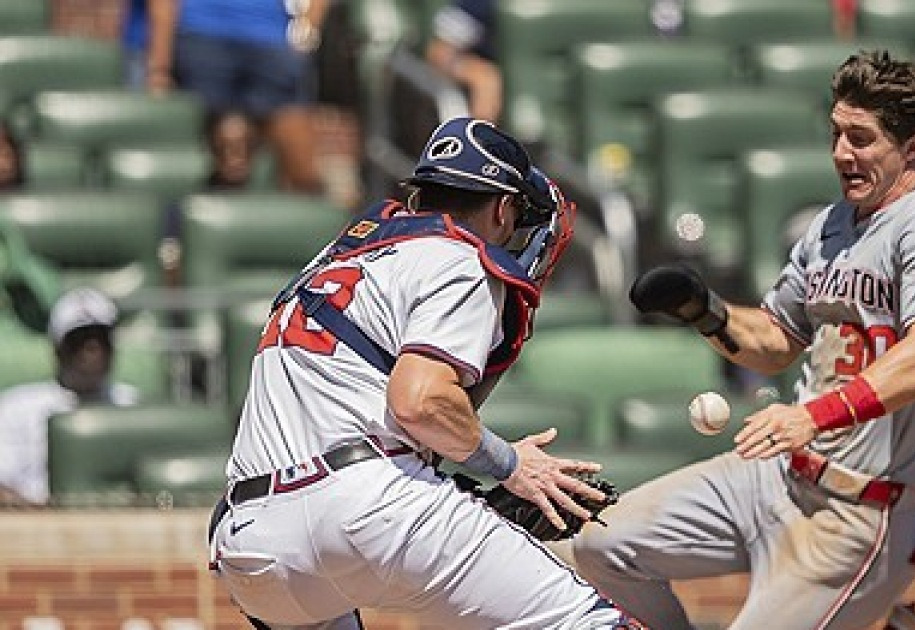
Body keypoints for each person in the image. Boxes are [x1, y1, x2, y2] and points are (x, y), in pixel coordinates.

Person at [573, 50, 915, 629]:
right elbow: (776, 337)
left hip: (856, 513)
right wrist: (706, 311)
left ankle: (880, 604)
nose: (842, 152)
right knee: (597, 547)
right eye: (837, 133)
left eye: (862, 138)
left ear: (912, 146)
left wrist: (814, 416)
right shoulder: (833, 223)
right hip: (775, 477)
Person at [207, 117, 638, 629]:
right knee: (591, 623)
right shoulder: (457, 257)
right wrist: (510, 466)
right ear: (503, 208)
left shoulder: (334, 260)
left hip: (249, 540)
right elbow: (418, 400)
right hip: (366, 505)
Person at [147, 0, 326, 194]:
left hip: (272, 41)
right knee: (217, 162)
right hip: (202, 38)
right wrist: (159, 68)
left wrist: (308, 29)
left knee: (303, 172)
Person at [0, 288, 139, 506]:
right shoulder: (15, 408)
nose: (92, 350)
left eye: (101, 339)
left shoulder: (132, 405)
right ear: (57, 349)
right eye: (79, 340)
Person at [425, 0, 503, 124]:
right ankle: (476, 139)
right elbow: (440, 51)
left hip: (513, 70)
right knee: (486, 78)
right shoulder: (479, 4)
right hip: (459, 61)